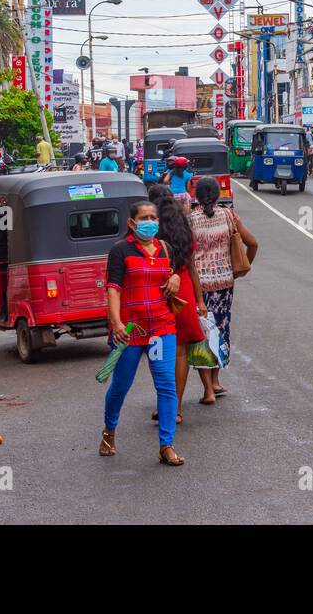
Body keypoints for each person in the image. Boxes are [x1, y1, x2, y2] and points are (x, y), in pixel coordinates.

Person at [100, 200, 185, 466]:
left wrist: (175, 278)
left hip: (161, 328)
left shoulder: (165, 249)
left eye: (153, 217)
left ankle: (166, 445)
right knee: (121, 385)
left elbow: (171, 275)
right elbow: (113, 287)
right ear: (132, 223)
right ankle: (109, 432)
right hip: (130, 331)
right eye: (144, 217)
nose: (150, 222)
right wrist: (116, 323)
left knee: (166, 385)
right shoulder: (120, 250)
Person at [188, 176, 257, 402]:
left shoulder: (190, 219)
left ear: (196, 196)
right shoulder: (229, 216)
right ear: (218, 195)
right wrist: (241, 269)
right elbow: (253, 243)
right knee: (220, 330)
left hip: (198, 286)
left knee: (202, 334)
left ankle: (208, 389)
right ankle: (216, 381)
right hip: (225, 285)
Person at [148, 184, 206, 419]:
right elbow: (192, 268)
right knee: (181, 353)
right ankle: (176, 408)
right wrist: (200, 300)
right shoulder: (185, 235)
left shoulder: (150, 238)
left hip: (155, 290)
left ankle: (164, 403)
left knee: (157, 351)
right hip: (184, 291)